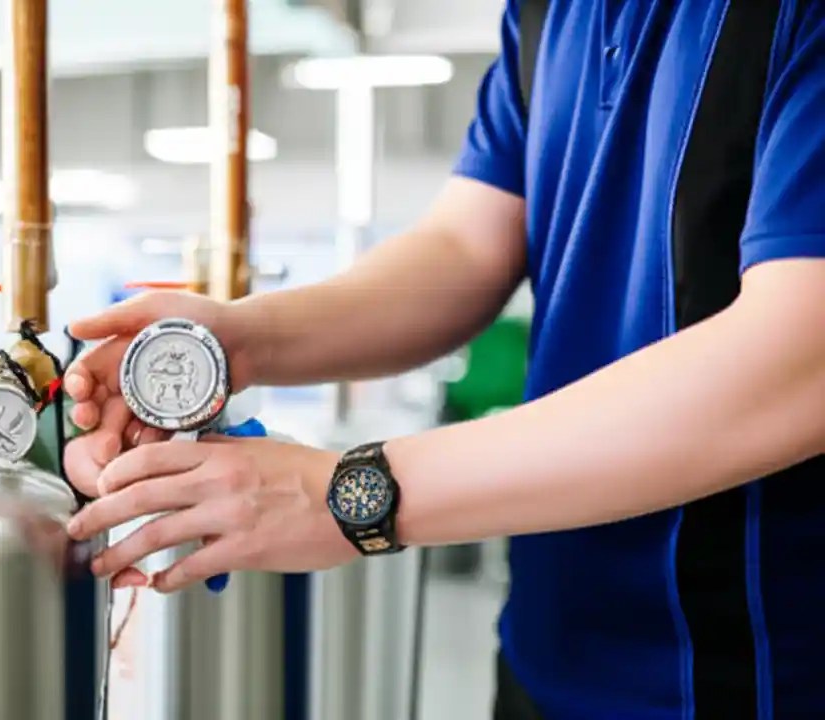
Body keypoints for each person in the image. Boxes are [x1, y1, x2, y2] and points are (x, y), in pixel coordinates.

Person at [62, 1, 825, 718]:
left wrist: (350, 493)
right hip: (545, 658)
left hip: (756, 679)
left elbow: (799, 356)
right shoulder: (551, 12)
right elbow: (466, 245)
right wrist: (241, 338)